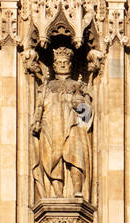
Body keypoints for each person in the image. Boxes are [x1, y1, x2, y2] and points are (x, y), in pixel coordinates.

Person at [30, 46, 93, 202]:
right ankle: (57, 194)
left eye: (66, 62)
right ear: (54, 65)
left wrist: (80, 106)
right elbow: (39, 107)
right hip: (50, 127)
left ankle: (77, 190)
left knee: (76, 157)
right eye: (59, 62)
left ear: (71, 65)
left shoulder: (79, 86)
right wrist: (37, 121)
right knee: (52, 160)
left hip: (74, 126)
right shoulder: (45, 88)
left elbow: (86, 116)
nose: (63, 64)